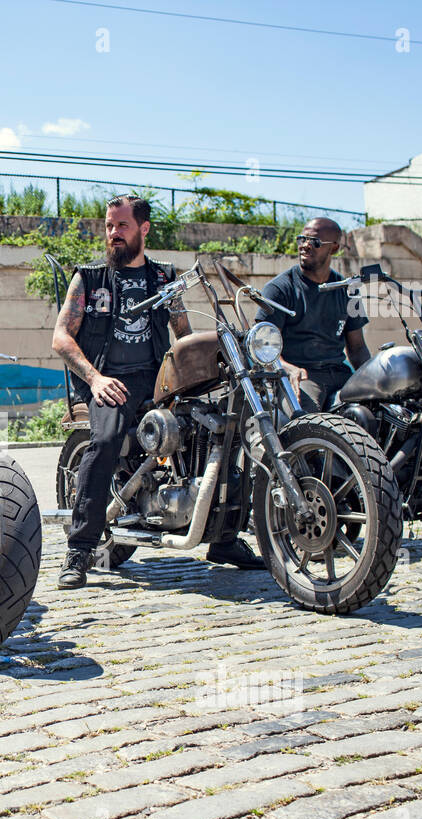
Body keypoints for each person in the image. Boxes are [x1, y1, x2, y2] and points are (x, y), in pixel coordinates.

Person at [51, 195, 265, 589]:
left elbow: (182, 333)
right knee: (107, 440)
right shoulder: (89, 278)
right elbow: (61, 338)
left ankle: (224, 538)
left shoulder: (164, 279)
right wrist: (95, 379)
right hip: (110, 381)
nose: (113, 233)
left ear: (143, 229)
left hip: (157, 379)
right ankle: (79, 550)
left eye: (122, 226)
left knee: (223, 426)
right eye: (109, 226)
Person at [254, 217, 371, 412]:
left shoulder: (348, 289)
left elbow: (358, 349)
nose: (305, 246)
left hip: (339, 375)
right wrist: (288, 369)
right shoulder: (279, 289)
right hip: (302, 376)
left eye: (314, 242)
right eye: (302, 239)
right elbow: (262, 346)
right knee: (306, 420)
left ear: (333, 248)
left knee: (374, 415)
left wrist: (373, 380)